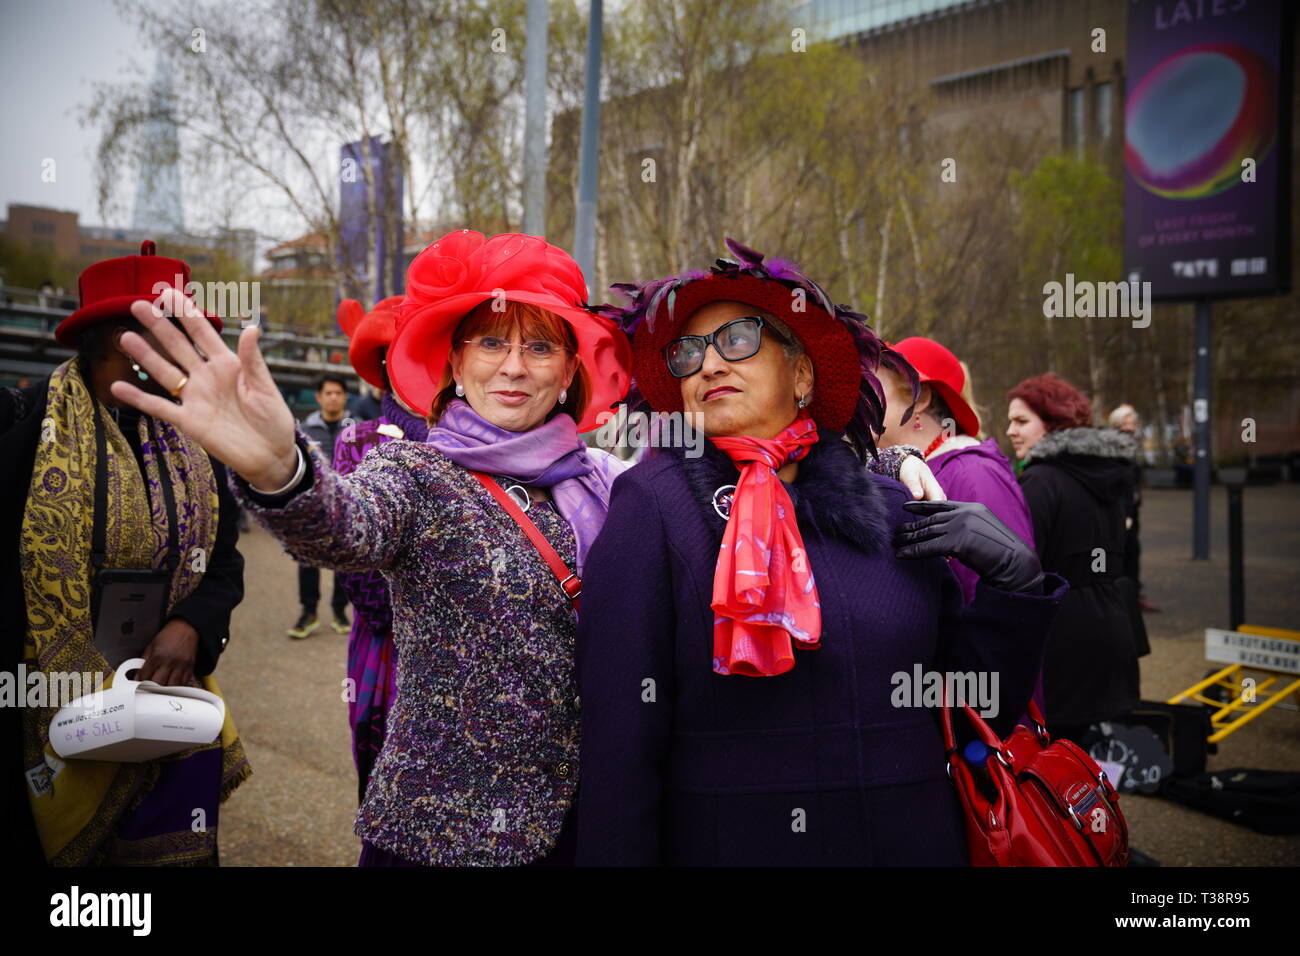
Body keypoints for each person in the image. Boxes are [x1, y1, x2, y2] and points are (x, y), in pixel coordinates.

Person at [109, 229, 637, 867]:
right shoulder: (416, 472)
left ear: (571, 367)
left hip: (585, 827)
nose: (515, 366)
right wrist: (285, 473)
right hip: (441, 836)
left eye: (541, 346)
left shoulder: (608, 482)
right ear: (456, 363)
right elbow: (347, 525)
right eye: (492, 342)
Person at [575, 239, 1066, 865]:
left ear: (802, 374)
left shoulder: (890, 509)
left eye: (738, 340)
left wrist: (1015, 584)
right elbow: (620, 742)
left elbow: (976, 702)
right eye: (689, 353)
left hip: (911, 842)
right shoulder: (652, 507)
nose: (707, 365)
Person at [1, 241, 249, 866]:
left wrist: (192, 626)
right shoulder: (22, 428)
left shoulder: (199, 434)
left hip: (168, 691)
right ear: (119, 337)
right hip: (46, 703)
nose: (188, 350)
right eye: (172, 333)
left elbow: (223, 563)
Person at [1006, 374, 1148, 745]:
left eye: (1021, 421)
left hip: (1062, 642)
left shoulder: (1040, 481)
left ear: (1052, 423)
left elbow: (1023, 565)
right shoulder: (1107, 476)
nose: (1010, 431)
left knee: (1051, 770)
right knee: (1082, 765)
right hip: (1108, 628)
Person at [331, 295, 429, 802]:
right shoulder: (358, 440)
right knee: (386, 766)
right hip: (383, 639)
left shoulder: (470, 435)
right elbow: (353, 554)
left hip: (457, 639)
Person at [288, 374, 354, 638]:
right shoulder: (304, 429)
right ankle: (309, 612)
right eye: (328, 393)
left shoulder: (356, 427)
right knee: (307, 559)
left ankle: (340, 611)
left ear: (345, 397)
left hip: (347, 505)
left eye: (338, 393)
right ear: (319, 397)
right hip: (313, 506)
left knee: (345, 562)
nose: (333, 398)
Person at [1108, 403, 1158, 613]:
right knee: (1121, 553)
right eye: (1125, 424)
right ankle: (1121, 596)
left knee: (1133, 553)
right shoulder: (1113, 447)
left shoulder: (1132, 446)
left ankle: (1133, 594)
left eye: (1132, 423)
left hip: (1131, 510)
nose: (1130, 427)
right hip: (1120, 511)